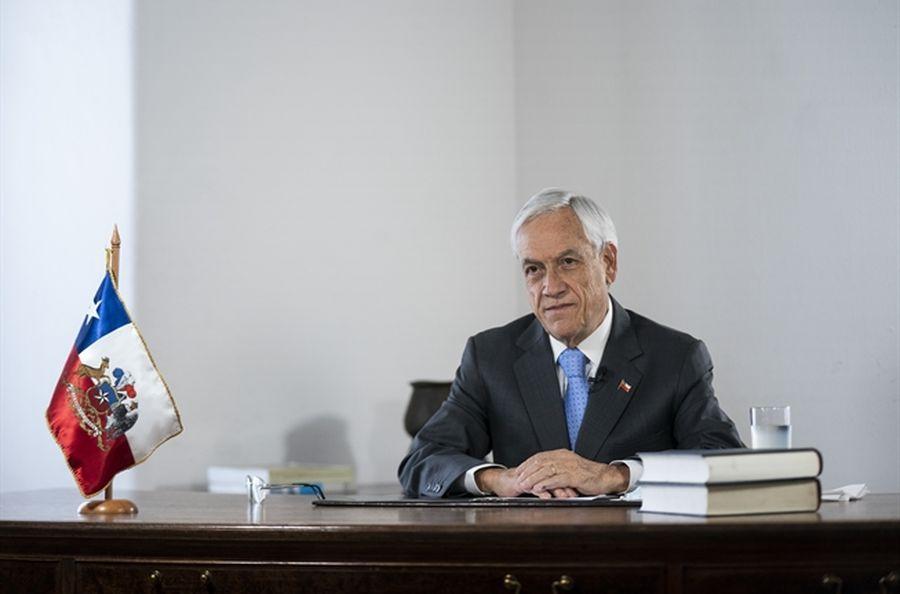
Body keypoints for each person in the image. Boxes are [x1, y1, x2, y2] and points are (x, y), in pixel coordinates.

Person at [398, 189, 743, 498]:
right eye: (534, 269)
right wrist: (498, 479)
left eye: (567, 262)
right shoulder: (491, 356)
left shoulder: (675, 357)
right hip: (529, 556)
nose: (551, 286)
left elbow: (724, 461)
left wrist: (615, 475)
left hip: (633, 554)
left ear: (608, 262)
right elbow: (423, 459)